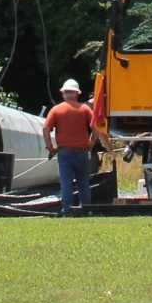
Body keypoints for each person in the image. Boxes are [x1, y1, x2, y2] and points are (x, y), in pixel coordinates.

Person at [43, 78, 105, 214]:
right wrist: (91, 142)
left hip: (64, 152)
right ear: (77, 94)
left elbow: (46, 128)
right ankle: (86, 209)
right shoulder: (84, 109)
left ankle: (66, 210)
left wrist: (50, 147)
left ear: (63, 93)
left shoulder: (56, 110)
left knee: (66, 182)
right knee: (83, 182)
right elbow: (96, 127)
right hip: (82, 151)